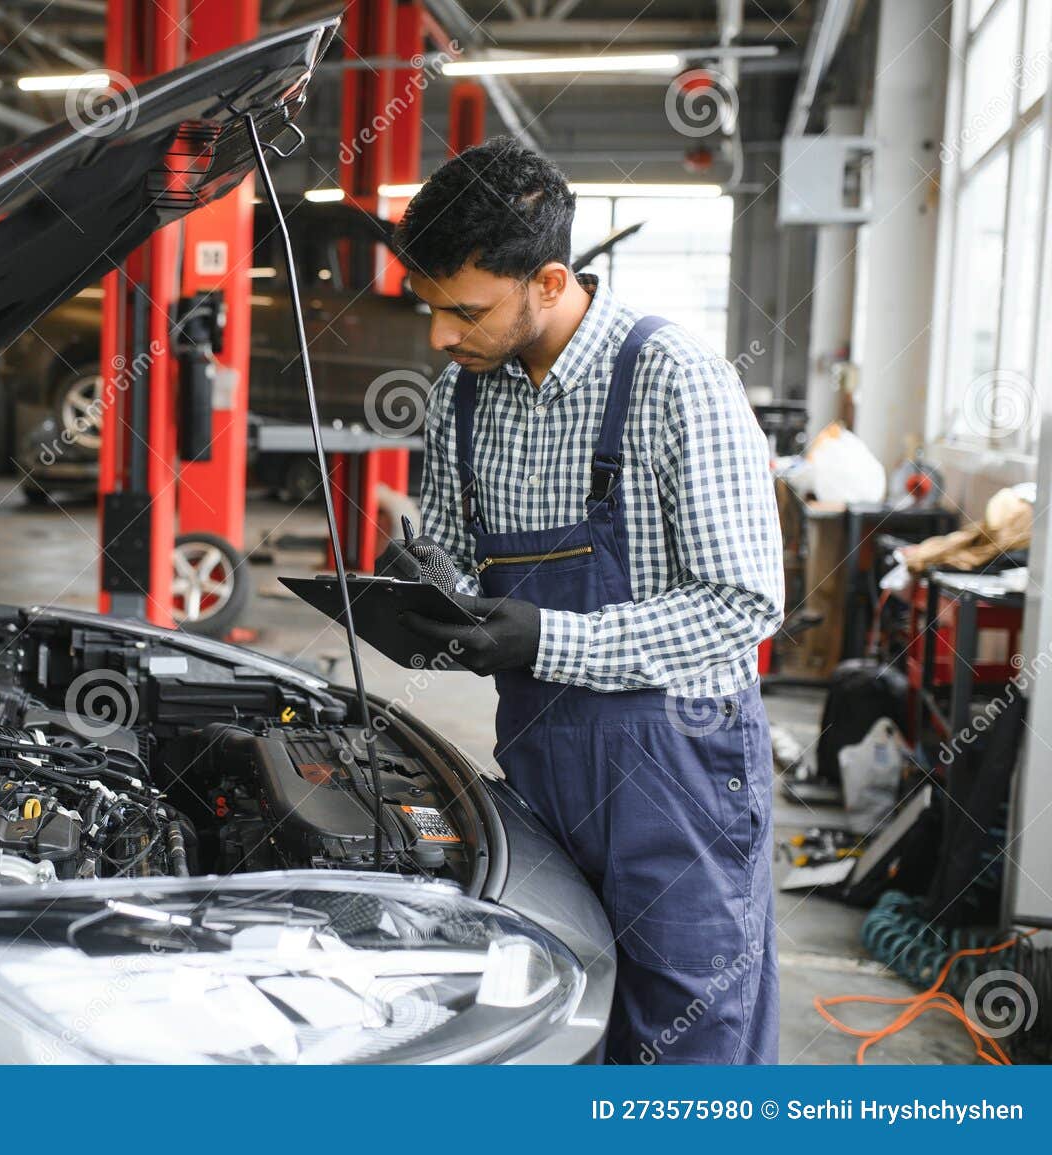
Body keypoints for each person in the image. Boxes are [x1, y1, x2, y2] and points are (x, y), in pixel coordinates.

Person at [378, 138, 784, 1064]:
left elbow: (744, 602)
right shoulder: (463, 395)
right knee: (563, 1009)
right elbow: (449, 544)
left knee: (689, 1022)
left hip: (676, 764)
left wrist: (545, 637)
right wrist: (418, 585)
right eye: (430, 307)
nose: (440, 335)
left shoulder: (672, 381)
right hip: (540, 755)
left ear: (550, 279)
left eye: (464, 310)